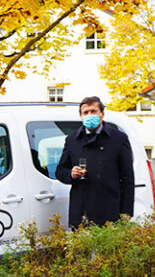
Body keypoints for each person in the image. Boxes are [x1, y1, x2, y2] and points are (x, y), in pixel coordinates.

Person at [55, 96, 134, 227]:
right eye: (85, 112)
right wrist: (71, 174)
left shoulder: (118, 138)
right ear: (81, 116)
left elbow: (128, 177)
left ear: (102, 114)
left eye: (93, 111)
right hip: (81, 209)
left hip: (109, 209)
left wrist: (126, 211)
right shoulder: (72, 139)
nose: (89, 115)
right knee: (82, 247)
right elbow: (60, 171)